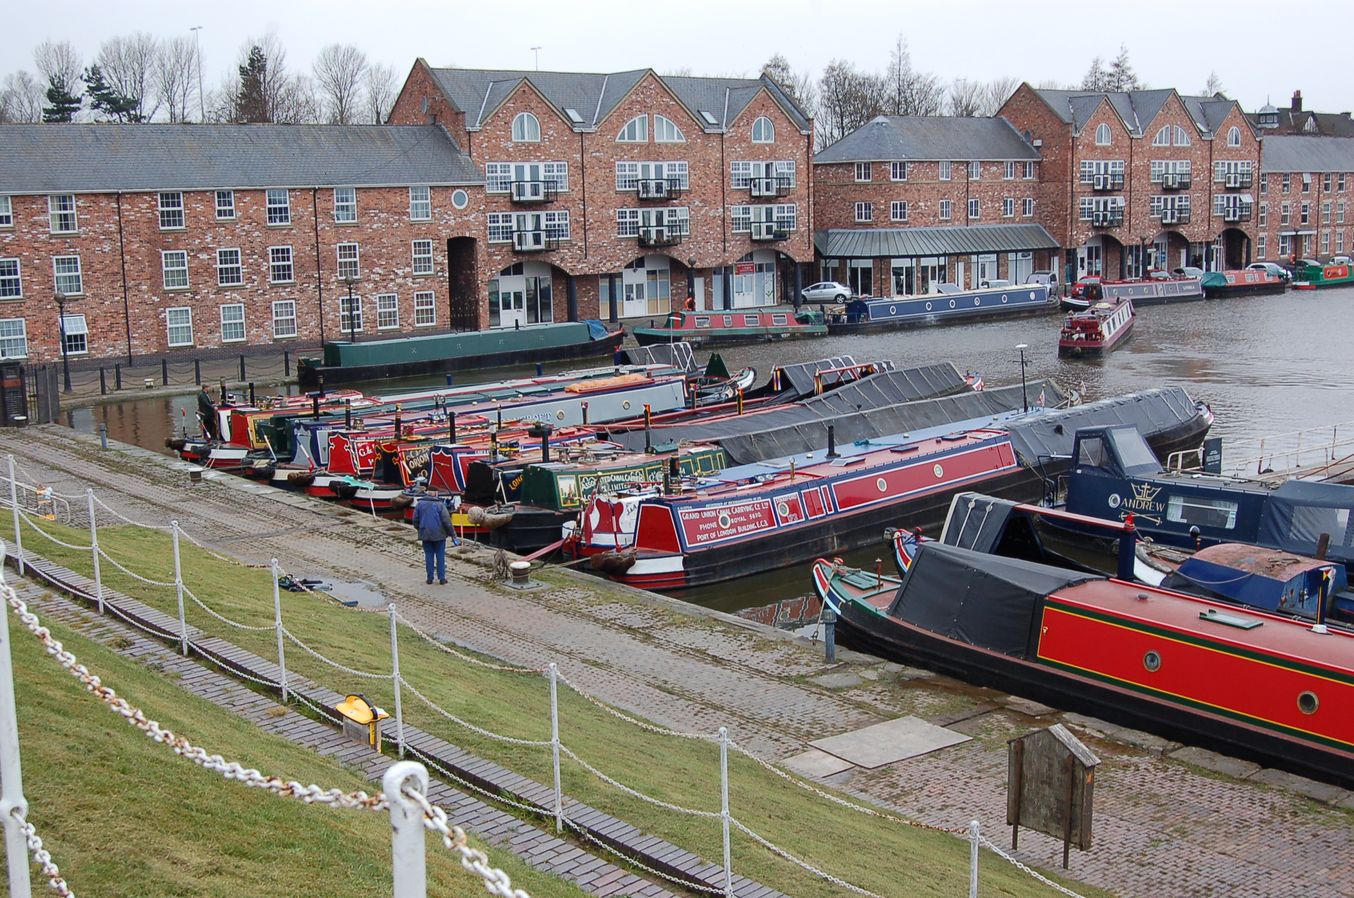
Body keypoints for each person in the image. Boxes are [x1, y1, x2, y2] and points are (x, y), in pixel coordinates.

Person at [413, 494, 454, 584]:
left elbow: (415, 520)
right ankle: (442, 578)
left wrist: (420, 529)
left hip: (425, 534)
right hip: (439, 534)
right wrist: (452, 534)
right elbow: (446, 521)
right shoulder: (440, 505)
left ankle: (429, 578)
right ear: (435, 493)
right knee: (440, 556)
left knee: (428, 555)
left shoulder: (419, 504)